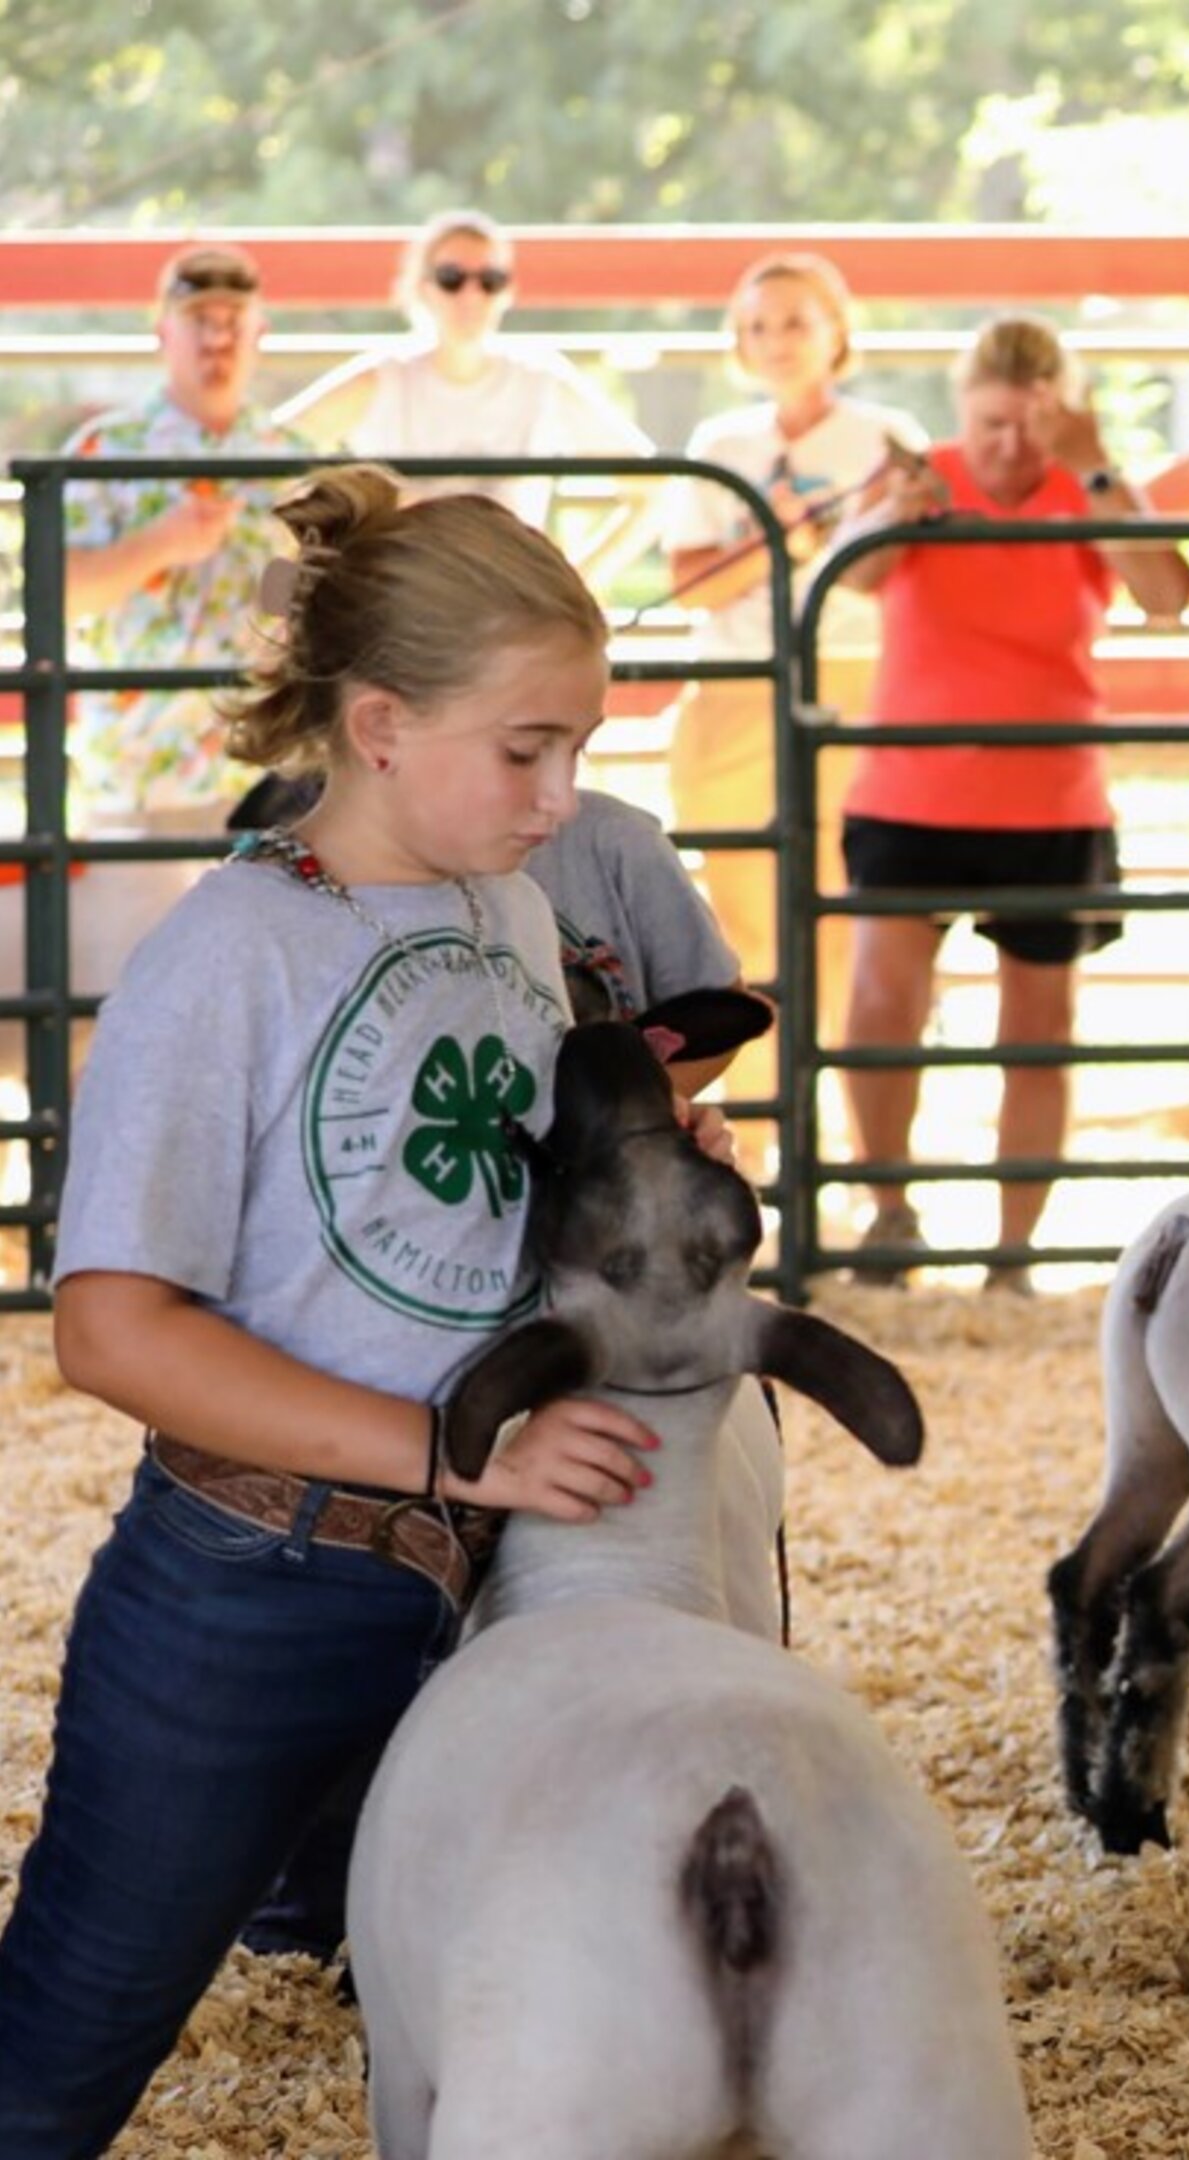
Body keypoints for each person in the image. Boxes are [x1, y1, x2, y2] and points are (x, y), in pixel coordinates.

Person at [0, 469, 663, 2152]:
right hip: (251, 1592)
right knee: (64, 2048)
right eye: (526, 749)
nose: (559, 794)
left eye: (577, 747)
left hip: (474, 1582)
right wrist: (459, 1459)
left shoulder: (509, 910)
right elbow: (113, 1330)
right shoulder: (227, 956)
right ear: (377, 723)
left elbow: (461, 1202)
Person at [825, 316, 1189, 1293]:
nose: (1008, 445)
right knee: (880, 1007)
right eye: (991, 422)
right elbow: (849, 576)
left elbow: (1165, 594)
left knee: (1038, 1030)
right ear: (963, 411)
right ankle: (890, 1209)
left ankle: (1013, 1252)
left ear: (1062, 414)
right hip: (910, 792)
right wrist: (895, 512)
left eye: (1030, 425)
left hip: (1051, 798)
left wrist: (1101, 466)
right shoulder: (924, 477)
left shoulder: (1089, 486)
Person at [658, 251, 925, 1157]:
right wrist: (765, 532)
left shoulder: (886, 437)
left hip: (853, 677)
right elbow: (688, 583)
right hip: (736, 685)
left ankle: (854, 1155)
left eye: (797, 322)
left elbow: (908, 571)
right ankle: (758, 1146)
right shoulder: (720, 447)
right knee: (740, 923)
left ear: (837, 333)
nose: (778, 342)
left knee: (848, 914)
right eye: (760, 325)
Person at [43, 244, 310, 995]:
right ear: (163, 331)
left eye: (233, 321)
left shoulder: (295, 458)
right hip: (140, 774)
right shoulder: (102, 452)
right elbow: (54, 595)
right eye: (199, 321)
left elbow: (321, 599)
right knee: (132, 992)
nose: (217, 339)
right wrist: (159, 545)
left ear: (260, 332)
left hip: (266, 770)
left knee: (263, 995)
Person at [273, 210, 656, 572]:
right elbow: (266, 457)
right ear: (422, 288)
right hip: (400, 600)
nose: (471, 295)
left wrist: (576, 578)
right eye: (452, 278)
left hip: (509, 599)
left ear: (507, 291)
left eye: (489, 281)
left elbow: (654, 484)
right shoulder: (382, 380)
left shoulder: (541, 380)